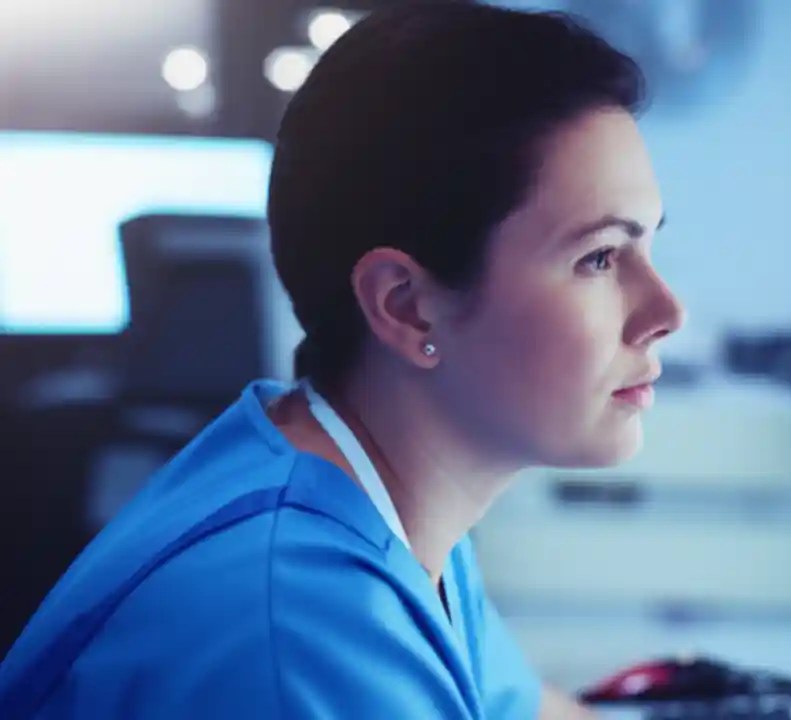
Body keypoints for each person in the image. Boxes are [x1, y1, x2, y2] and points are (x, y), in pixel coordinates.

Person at [0, 1, 684, 717]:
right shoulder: (296, 635)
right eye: (600, 257)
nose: (668, 311)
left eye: (647, 248)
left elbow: (522, 706)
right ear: (405, 306)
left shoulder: (389, 506)